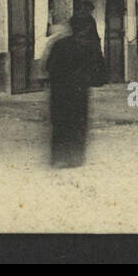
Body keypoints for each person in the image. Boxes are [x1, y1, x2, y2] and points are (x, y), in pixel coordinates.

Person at [44, 21, 101, 168]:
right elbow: (95, 70)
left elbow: (49, 66)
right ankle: (76, 158)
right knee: (78, 124)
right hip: (79, 91)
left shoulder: (59, 45)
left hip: (60, 91)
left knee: (60, 123)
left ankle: (59, 157)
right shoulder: (87, 46)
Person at [70, 0, 107, 87]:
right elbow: (93, 32)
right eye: (90, 9)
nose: (90, 11)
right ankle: (92, 81)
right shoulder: (90, 19)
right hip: (88, 44)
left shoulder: (74, 18)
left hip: (76, 43)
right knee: (91, 63)